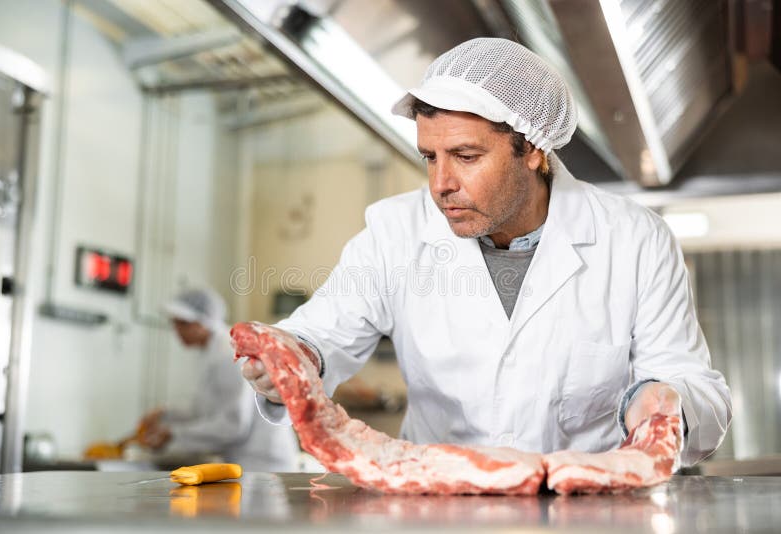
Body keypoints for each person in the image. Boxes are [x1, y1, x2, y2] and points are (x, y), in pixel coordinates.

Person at [241, 38, 731, 466]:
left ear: (533, 148)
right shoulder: (395, 232)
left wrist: (665, 402)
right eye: (430, 157)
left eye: (466, 156)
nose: (441, 184)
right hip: (439, 509)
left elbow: (697, 387)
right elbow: (320, 335)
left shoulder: (635, 239)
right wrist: (293, 357)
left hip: (586, 509)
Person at [138, 288, 298, 471]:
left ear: (202, 322)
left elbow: (233, 424)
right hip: (246, 460)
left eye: (183, 324)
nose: (177, 331)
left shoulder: (228, 355)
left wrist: (173, 435)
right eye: (175, 323)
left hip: (262, 462)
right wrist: (164, 414)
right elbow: (206, 410)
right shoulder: (212, 352)